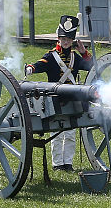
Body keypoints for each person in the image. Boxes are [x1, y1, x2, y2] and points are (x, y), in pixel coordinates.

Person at [25, 15, 93, 171]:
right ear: (58, 38)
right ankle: (57, 164)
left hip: (73, 99)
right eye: (64, 38)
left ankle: (67, 163)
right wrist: (31, 68)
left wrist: (84, 53)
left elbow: (92, 66)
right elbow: (40, 64)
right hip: (56, 99)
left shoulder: (75, 57)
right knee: (57, 133)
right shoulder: (51, 56)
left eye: (69, 39)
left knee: (70, 133)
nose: (66, 41)